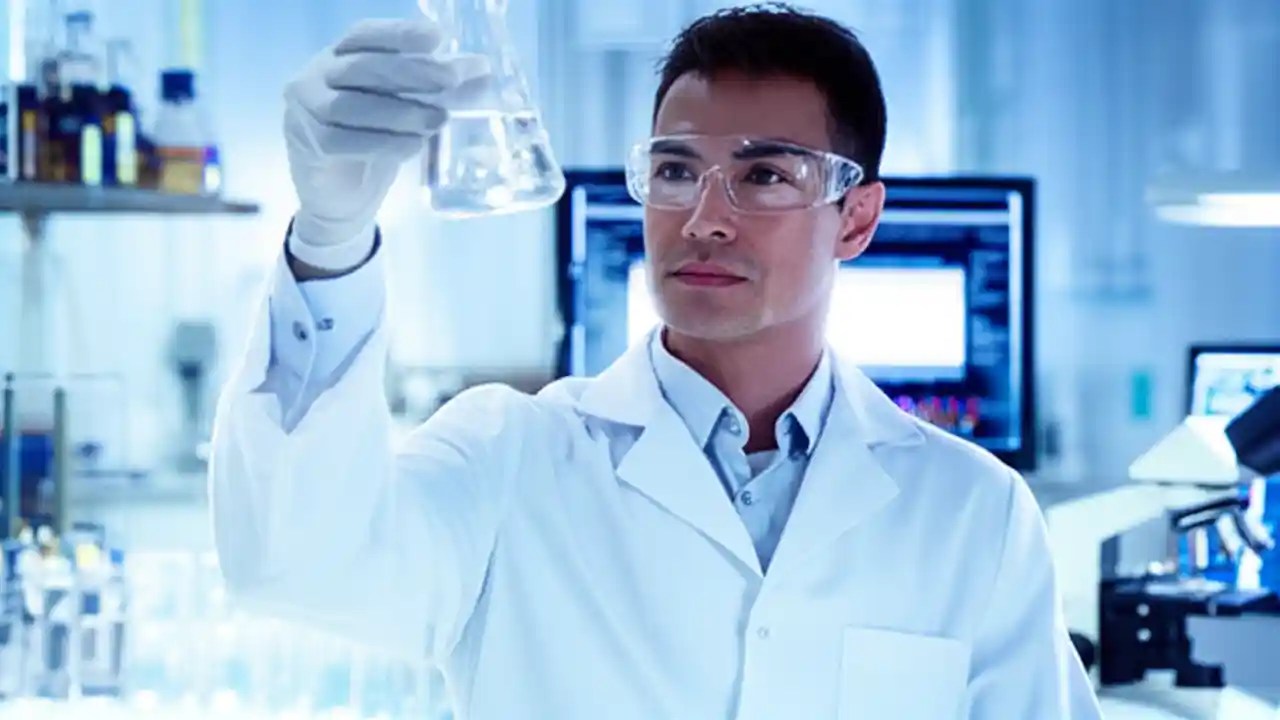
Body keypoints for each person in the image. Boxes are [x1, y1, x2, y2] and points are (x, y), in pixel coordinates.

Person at [209, 4, 1102, 718]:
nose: (703, 218)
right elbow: (297, 560)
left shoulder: (973, 513)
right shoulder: (511, 456)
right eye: (675, 171)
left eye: (764, 176)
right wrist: (330, 238)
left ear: (858, 219)